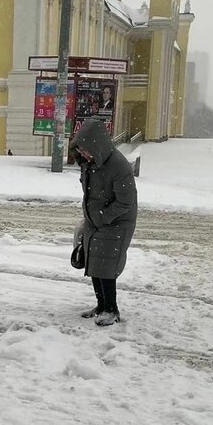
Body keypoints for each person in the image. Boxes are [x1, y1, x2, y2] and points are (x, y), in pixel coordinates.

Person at [69, 119, 137, 327]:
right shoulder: (89, 163)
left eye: (86, 150)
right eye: (81, 150)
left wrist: (102, 217)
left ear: (96, 145)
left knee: (106, 265)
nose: (84, 154)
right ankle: (100, 305)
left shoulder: (118, 165)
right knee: (94, 263)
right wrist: (91, 217)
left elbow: (125, 202)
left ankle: (111, 309)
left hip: (116, 221)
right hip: (95, 219)